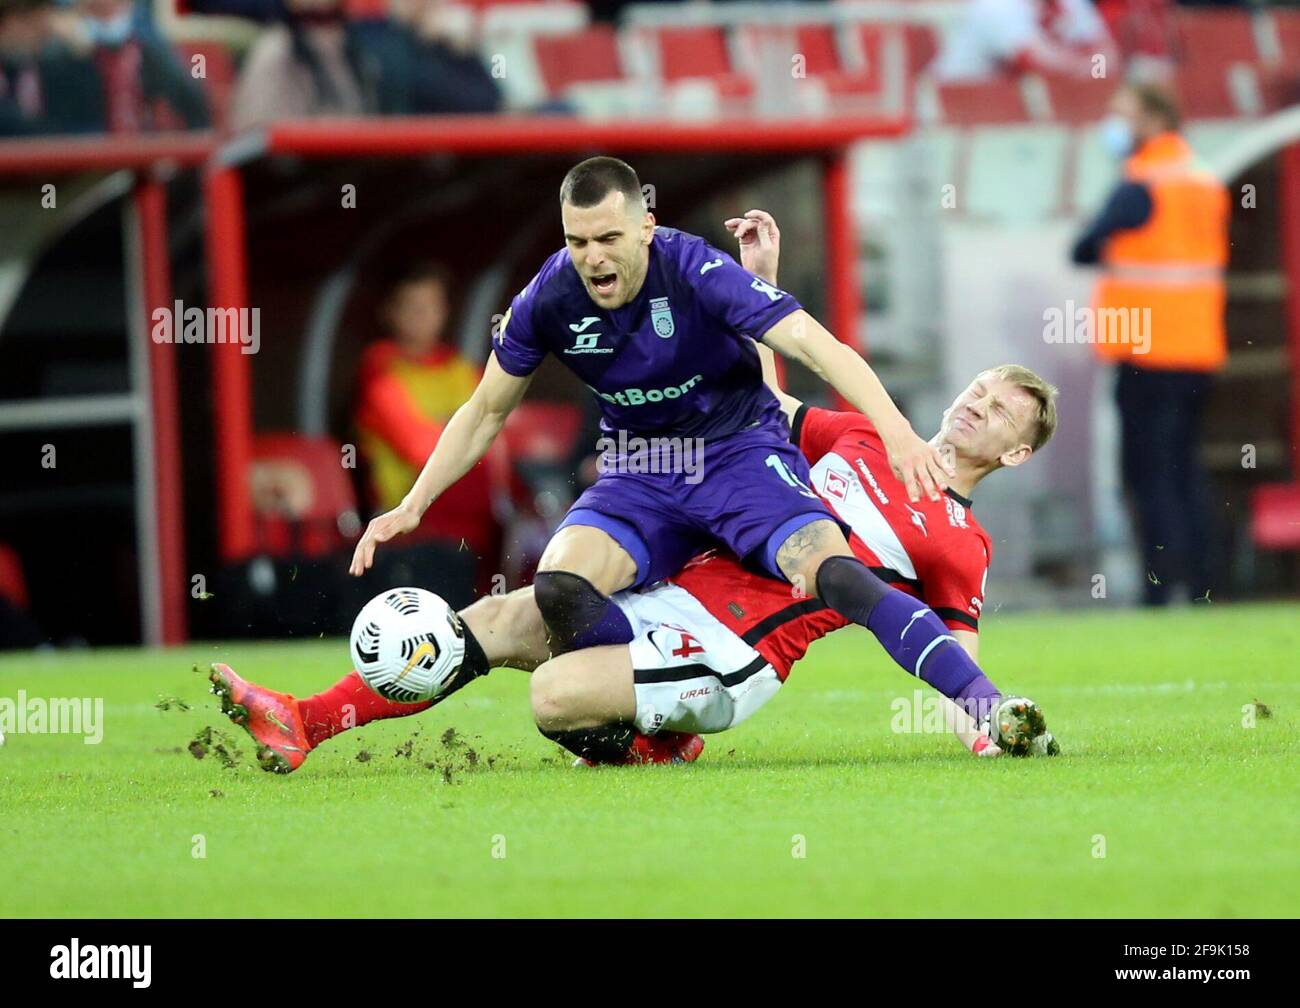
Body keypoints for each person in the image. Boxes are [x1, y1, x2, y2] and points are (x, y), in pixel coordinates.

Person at [207, 208, 1060, 773]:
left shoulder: (957, 540)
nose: (975, 406)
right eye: (978, 391)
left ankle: (664, 736)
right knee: (511, 613)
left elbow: (955, 643)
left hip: (735, 652)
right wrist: (752, 280)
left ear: (1017, 454)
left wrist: (989, 720)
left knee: (553, 696)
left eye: (998, 412)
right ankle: (305, 721)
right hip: (673, 594)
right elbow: (753, 412)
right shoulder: (865, 435)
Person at [350, 157, 1013, 752]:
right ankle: (649, 717)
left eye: (609, 238)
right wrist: (413, 503)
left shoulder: (697, 270)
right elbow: (485, 412)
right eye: (578, 241)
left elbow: (818, 347)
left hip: (737, 454)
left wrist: (895, 429)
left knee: (833, 570)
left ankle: (989, 708)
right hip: (642, 468)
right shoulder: (550, 297)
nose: (594, 258)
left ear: (646, 227)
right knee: (559, 586)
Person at [1072, 83, 1228, 605]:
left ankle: (1161, 588)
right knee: (1186, 471)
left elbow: (1082, 247)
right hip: (1198, 348)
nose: (1113, 125)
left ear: (1154, 117)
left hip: (1147, 351)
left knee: (1146, 476)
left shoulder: (1142, 182)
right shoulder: (1204, 179)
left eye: (1123, 114)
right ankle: (1206, 583)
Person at [354, 262, 504, 570]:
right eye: (411, 307)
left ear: (445, 310)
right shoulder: (380, 373)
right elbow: (423, 449)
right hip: (410, 528)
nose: (422, 316)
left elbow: (498, 436)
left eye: (430, 306)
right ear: (389, 313)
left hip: (479, 522)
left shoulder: (461, 369)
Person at [931, 0, 1115, 82]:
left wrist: (1094, 74)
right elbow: (1037, 61)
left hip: (1005, 115)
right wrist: (1086, 70)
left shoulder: (1070, 3)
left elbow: (1106, 55)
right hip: (956, 111)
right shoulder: (996, 5)